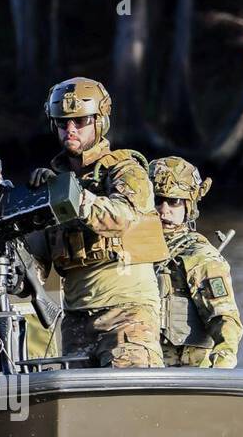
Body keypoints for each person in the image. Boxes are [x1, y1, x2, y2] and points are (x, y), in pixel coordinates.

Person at [20, 76, 166, 368]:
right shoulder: (52, 184)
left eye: (80, 121)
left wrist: (70, 196)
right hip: (76, 320)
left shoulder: (126, 171)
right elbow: (36, 262)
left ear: (100, 122)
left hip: (127, 315)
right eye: (62, 123)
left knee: (130, 400)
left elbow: (120, 217)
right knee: (84, 407)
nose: (70, 129)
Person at [149, 157, 242, 368]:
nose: (163, 210)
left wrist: (221, 367)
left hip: (186, 373)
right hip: (139, 368)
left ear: (188, 206)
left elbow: (224, 318)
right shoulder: (131, 251)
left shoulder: (200, 257)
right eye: (157, 199)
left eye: (174, 202)